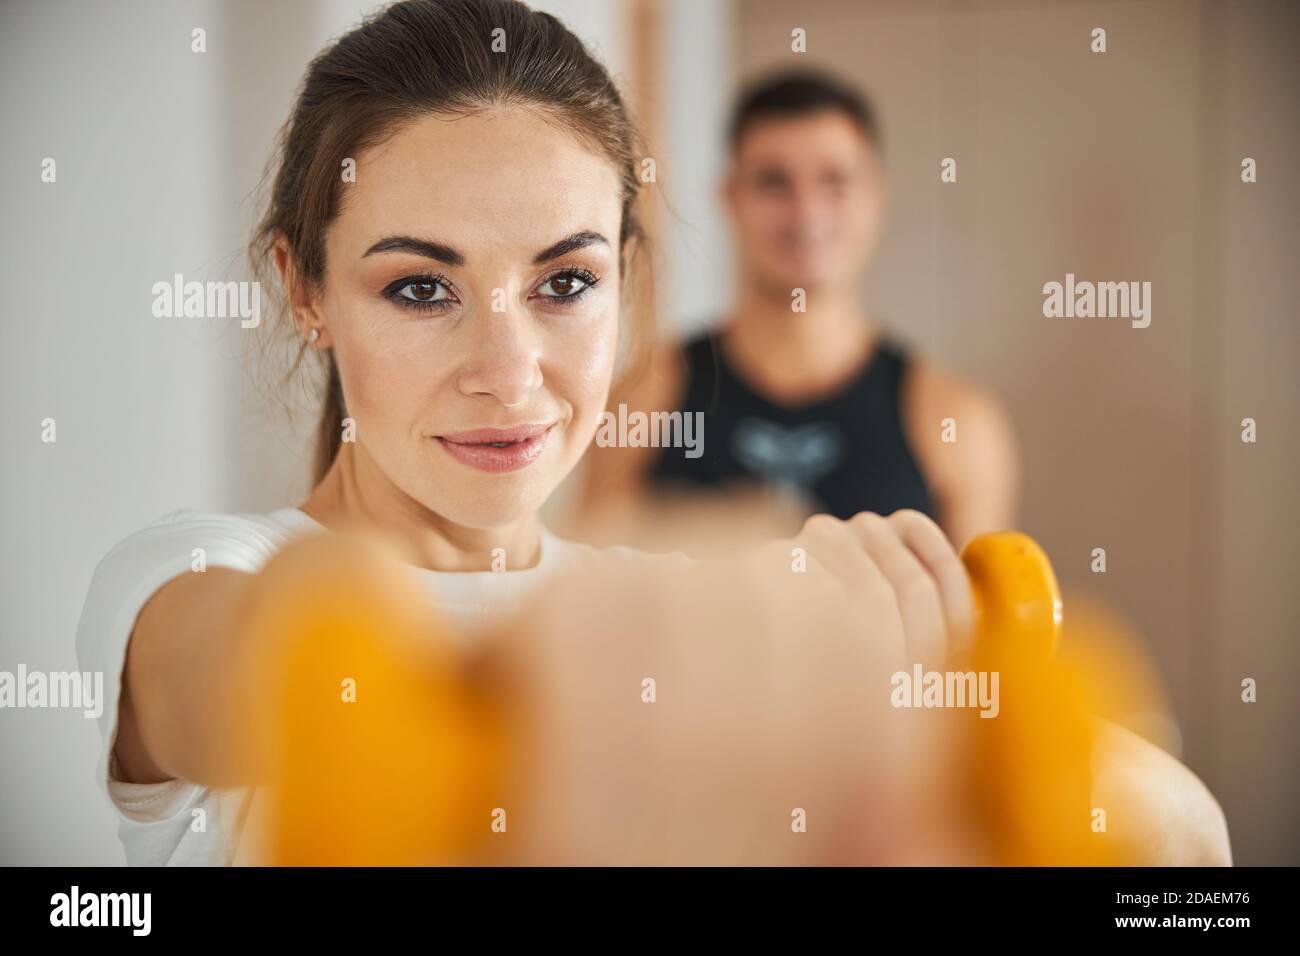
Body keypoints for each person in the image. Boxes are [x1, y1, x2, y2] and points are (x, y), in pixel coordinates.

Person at [74, 0, 1228, 867]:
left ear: (624, 279)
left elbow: (1184, 835)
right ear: (305, 287)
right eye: (422, 290)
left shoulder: (653, 602)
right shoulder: (192, 576)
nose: (508, 369)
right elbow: (276, 672)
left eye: (564, 282)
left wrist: (935, 711)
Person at [580, 70, 1018, 550]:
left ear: (875, 195)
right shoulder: (645, 397)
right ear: (731, 197)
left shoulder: (956, 422)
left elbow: (979, 622)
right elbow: (597, 597)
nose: (806, 211)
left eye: (835, 181)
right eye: (774, 182)